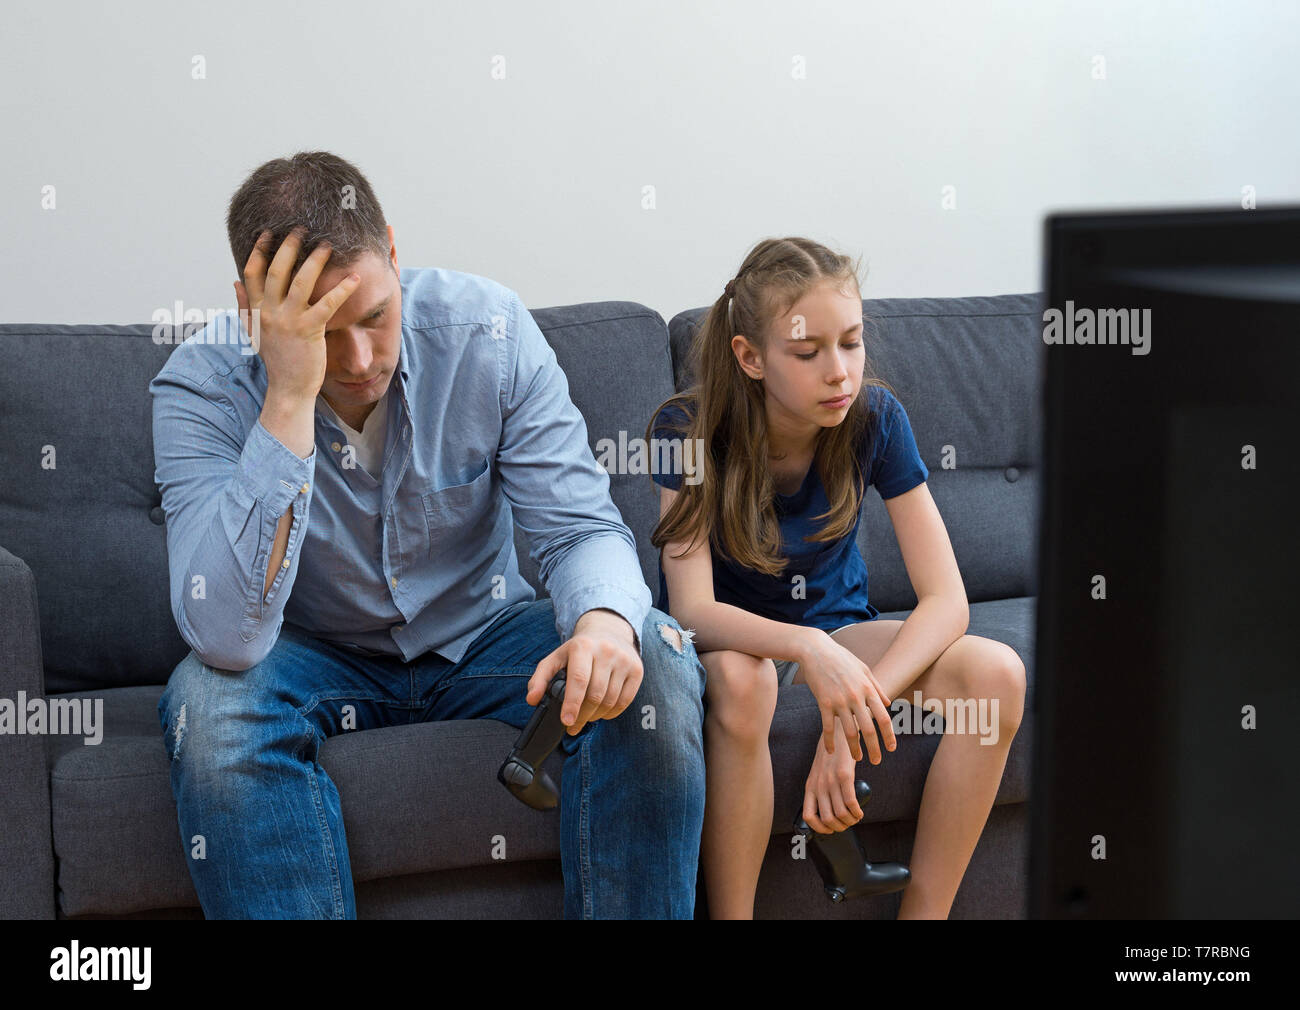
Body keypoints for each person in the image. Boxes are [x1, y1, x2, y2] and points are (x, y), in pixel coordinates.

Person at [149, 151, 706, 919]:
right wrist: (287, 398)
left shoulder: (491, 334)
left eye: (375, 316)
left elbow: (579, 529)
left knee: (656, 656)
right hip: (310, 653)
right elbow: (226, 639)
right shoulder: (200, 387)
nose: (359, 360)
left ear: (394, 256)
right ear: (252, 310)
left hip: (484, 632)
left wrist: (607, 622)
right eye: (321, 333)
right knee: (210, 712)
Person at [646, 237, 1026, 919]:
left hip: (843, 637)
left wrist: (848, 718)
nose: (839, 373)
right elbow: (694, 609)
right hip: (738, 649)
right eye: (808, 352)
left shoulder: (877, 419)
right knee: (743, 679)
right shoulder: (687, 431)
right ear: (751, 357)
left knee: (996, 675)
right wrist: (807, 650)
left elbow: (947, 602)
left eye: (850, 344)